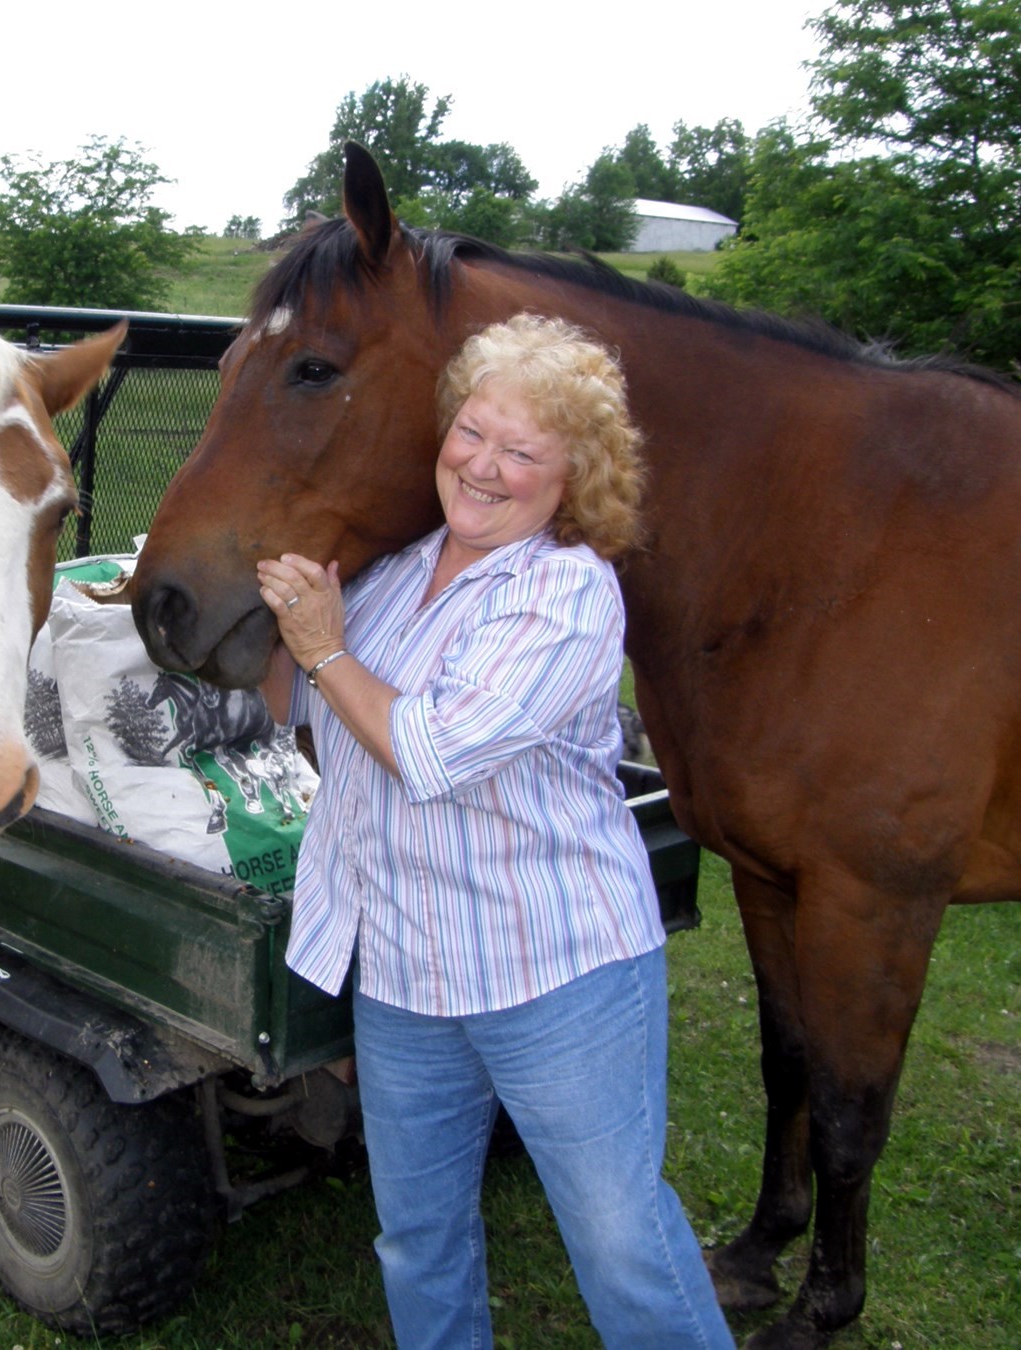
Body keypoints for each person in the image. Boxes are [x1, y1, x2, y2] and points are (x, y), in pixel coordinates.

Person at [256, 314, 733, 1350]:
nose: (482, 465)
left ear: (576, 478)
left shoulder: (566, 592)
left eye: (521, 452)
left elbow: (423, 751)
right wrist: (275, 611)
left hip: (553, 975)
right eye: (471, 433)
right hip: (407, 974)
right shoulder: (399, 569)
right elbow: (308, 711)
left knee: (620, 1240)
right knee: (416, 1236)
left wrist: (324, 650)